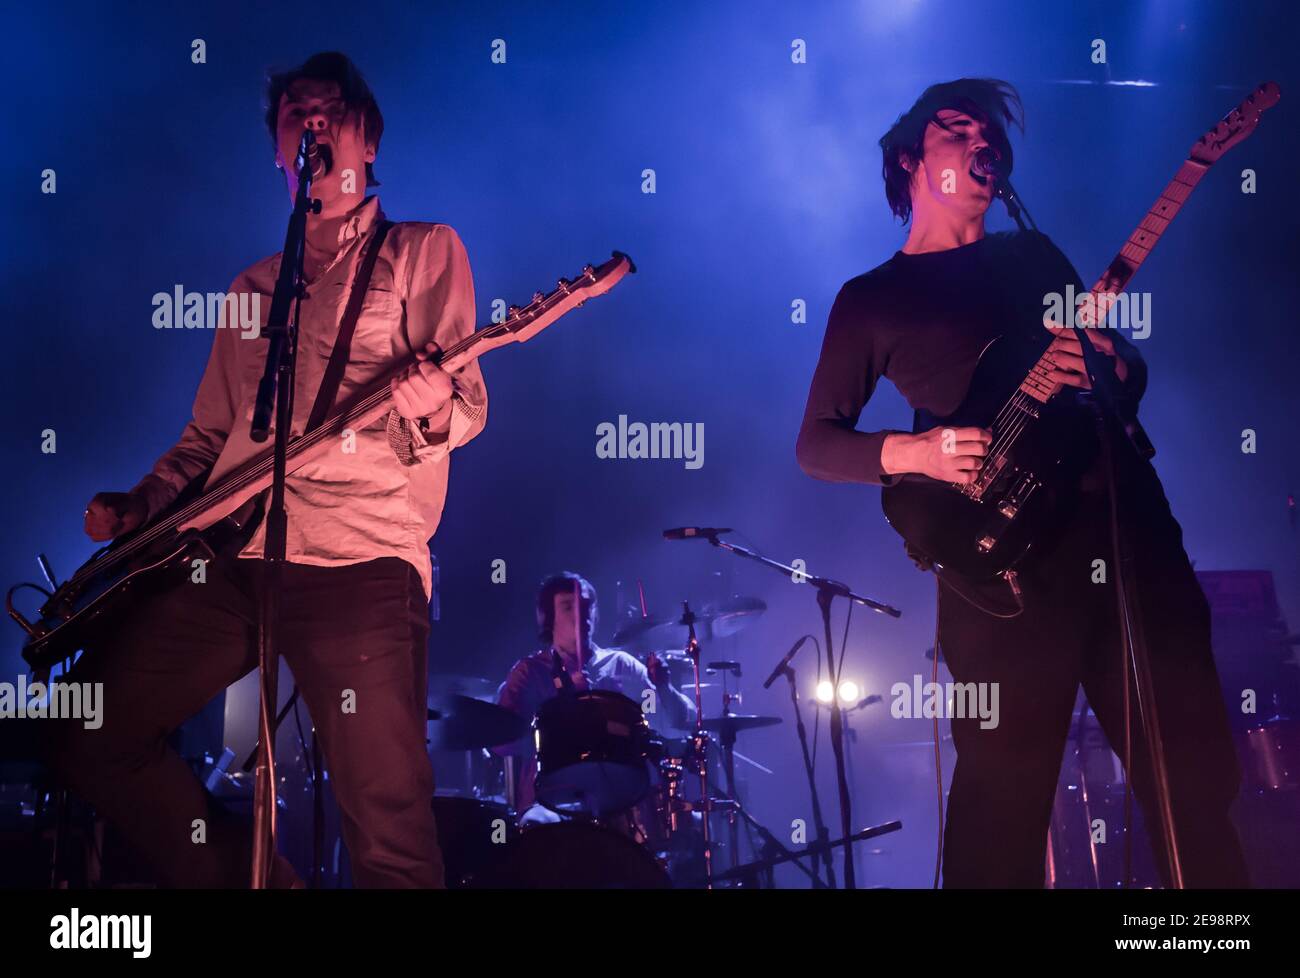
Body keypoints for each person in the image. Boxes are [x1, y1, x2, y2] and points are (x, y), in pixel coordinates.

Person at [49, 51, 487, 888]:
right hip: (236, 558)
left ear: (370, 137)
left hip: (361, 559)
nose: (311, 119)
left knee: (388, 830)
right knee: (87, 735)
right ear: (277, 152)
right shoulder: (249, 289)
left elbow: (465, 405)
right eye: (294, 112)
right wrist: (140, 502)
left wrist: (430, 402)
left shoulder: (424, 251)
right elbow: (205, 442)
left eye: (332, 108)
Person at [795, 78, 1247, 888]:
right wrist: (920, 453)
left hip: (1124, 529)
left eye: (991, 132)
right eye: (957, 128)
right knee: (1001, 804)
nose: (982, 141)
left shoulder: (1033, 257)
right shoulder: (873, 298)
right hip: (1001, 570)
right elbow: (816, 445)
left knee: (1191, 781)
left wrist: (1113, 364)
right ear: (909, 161)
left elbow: (1114, 367)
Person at [496, 572, 695, 824]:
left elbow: (673, 724)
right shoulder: (530, 673)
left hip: (619, 799)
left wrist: (663, 689)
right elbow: (500, 744)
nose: (581, 615)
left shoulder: (622, 667)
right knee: (535, 826)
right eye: (569, 607)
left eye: (587, 606)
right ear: (548, 617)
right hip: (551, 799)